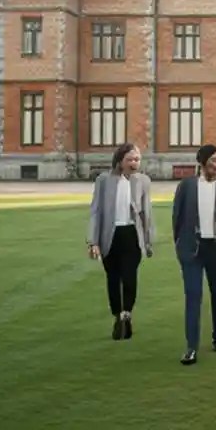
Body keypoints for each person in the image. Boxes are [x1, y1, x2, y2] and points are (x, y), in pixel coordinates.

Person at [172, 144, 216, 366]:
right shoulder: (187, 186)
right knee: (193, 297)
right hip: (192, 248)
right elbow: (177, 218)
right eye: (214, 161)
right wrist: (180, 245)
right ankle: (191, 347)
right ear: (202, 163)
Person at [86, 143, 154, 341]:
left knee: (130, 277)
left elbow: (146, 213)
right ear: (120, 161)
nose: (134, 163)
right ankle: (117, 315)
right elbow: (96, 211)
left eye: (137, 159)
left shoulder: (143, 181)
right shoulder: (104, 181)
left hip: (132, 235)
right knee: (113, 278)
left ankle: (127, 315)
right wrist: (93, 241)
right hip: (111, 235)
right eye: (130, 159)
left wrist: (148, 242)